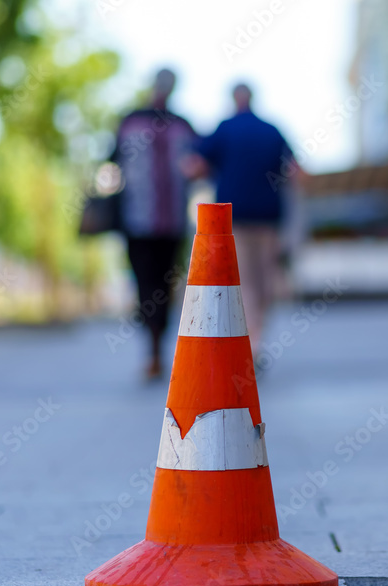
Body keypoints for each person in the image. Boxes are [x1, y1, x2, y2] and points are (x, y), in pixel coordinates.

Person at [188, 83, 303, 350]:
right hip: (268, 218)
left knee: (243, 280)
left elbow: (195, 167)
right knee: (264, 280)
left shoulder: (223, 130)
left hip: (233, 218)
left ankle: (251, 341)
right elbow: (295, 171)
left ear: (233, 98)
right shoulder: (272, 130)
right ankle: (256, 336)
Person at [113, 69, 197, 379]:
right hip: (143, 222)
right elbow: (111, 163)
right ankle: (154, 347)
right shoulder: (135, 121)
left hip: (164, 222)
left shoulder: (177, 124)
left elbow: (197, 164)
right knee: (152, 284)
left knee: (159, 285)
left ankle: (156, 346)